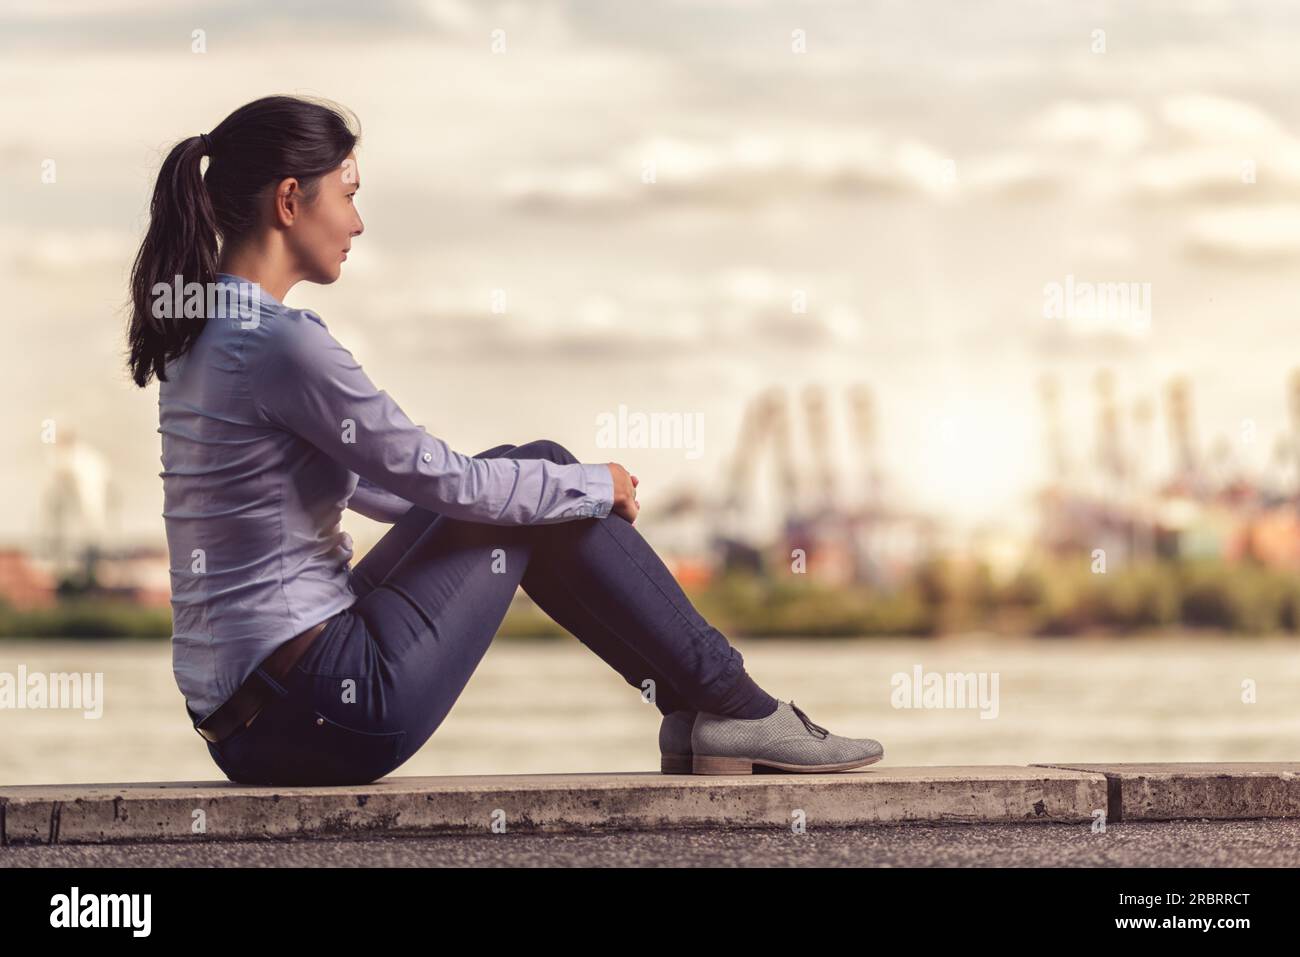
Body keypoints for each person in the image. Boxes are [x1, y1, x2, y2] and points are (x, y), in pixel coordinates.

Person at [125, 94, 883, 785]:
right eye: (350, 197)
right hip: (327, 708)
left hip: (254, 724)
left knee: (528, 479)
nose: (357, 223)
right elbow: (446, 486)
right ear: (291, 200)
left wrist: (535, 489)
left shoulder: (203, 335)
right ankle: (728, 703)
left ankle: (708, 712)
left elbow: (387, 486)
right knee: (546, 476)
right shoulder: (281, 346)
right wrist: (589, 485)